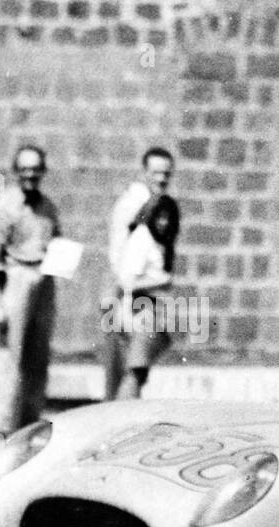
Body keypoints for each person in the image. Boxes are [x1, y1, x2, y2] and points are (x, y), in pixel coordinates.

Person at [0, 145, 61, 434]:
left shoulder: (48, 208)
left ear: (43, 171)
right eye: (25, 169)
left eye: (36, 169)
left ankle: (28, 428)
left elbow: (56, 244)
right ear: (16, 172)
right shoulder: (2, 207)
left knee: (37, 359)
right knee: (9, 360)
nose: (31, 175)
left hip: (43, 282)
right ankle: (1, 429)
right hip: (14, 283)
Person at [105, 147, 179, 399]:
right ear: (144, 172)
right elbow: (122, 264)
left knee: (136, 369)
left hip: (145, 298)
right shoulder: (135, 207)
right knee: (132, 370)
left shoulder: (157, 207)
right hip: (132, 299)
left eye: (166, 174)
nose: (161, 179)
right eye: (156, 172)